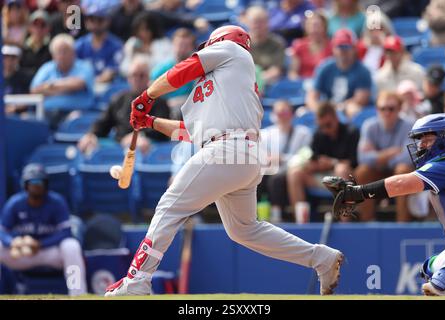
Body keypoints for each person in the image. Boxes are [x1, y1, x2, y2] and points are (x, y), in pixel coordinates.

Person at [105, 25, 344, 296]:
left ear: (218, 41)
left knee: (169, 207)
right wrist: (150, 121)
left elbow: (185, 68)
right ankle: (320, 258)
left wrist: (147, 96)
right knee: (244, 229)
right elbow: (190, 133)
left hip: (228, 149)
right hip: (240, 153)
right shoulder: (224, 86)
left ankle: (137, 280)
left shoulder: (232, 50)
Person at [325, 113, 445, 296]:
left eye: (428, 138)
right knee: (432, 266)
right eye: (420, 139)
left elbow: (401, 184)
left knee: (442, 275)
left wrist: (357, 193)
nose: (421, 145)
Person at [0, 163, 87, 296]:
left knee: (71, 246)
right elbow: (2, 231)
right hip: (23, 254)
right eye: (32, 182)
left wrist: (40, 244)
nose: (36, 186)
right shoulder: (15, 203)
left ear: (46, 184)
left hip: (49, 253)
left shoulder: (57, 202)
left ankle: (78, 294)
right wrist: (12, 242)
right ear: (25, 184)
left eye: (40, 182)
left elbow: (66, 232)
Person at [77, 57, 170, 155]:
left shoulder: (160, 102)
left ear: (148, 78)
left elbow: (160, 130)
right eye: (134, 75)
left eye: (142, 75)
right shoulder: (118, 99)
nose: (137, 79)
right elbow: (103, 123)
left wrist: (138, 136)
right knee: (89, 144)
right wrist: (91, 134)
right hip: (120, 145)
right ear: (129, 78)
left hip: (147, 148)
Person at [287, 102, 359, 221]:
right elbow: (312, 161)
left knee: (341, 169)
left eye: (328, 125)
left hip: (347, 179)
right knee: (294, 173)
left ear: (336, 118)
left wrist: (333, 163)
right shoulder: (318, 134)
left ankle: (345, 222)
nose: (325, 129)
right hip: (322, 178)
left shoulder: (351, 132)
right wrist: (318, 165)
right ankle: (301, 222)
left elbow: (354, 162)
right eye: (322, 126)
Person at [354, 91, 415, 221]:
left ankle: (402, 224)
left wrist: (378, 158)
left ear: (399, 109)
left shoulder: (409, 125)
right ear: (377, 109)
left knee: (402, 170)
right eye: (382, 108)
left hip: (398, 173)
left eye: (391, 109)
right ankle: (368, 223)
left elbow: (408, 157)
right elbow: (362, 158)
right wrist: (389, 153)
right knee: (362, 172)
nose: (386, 112)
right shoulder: (369, 126)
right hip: (377, 172)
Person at [259, 100, 312, 222]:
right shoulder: (265, 134)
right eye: (279, 113)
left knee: (276, 180)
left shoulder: (303, 133)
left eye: (285, 112)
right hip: (270, 170)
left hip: (291, 170)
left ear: (291, 114)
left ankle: (276, 215)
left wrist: (282, 158)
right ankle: (258, 215)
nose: (282, 116)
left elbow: (306, 156)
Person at [30, 33, 95, 129]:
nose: (62, 55)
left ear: (73, 52)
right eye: (58, 52)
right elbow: (34, 90)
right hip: (47, 113)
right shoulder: (47, 68)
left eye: (65, 51)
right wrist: (66, 87)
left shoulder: (85, 66)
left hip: (77, 113)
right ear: (53, 55)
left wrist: (50, 86)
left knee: (75, 118)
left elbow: (78, 84)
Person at [306, 28, 372, 119]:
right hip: (327, 107)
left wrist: (337, 108)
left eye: (346, 47)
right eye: (339, 47)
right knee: (302, 112)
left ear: (354, 48)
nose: (343, 52)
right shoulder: (325, 67)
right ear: (333, 49)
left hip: (346, 108)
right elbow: (311, 96)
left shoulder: (362, 71)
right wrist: (318, 109)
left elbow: (360, 100)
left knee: (353, 109)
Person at [151, 28, 196, 118]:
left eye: (186, 45)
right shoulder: (161, 69)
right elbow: (151, 92)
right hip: (164, 109)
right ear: (173, 45)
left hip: (189, 109)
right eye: (179, 45)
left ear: (192, 47)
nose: (182, 49)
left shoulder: (196, 69)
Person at [75, 3, 123, 84]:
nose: (95, 24)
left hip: (107, 87)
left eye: (100, 20)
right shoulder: (80, 44)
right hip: (82, 87)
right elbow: (73, 69)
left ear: (108, 21)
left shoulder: (116, 45)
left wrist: (90, 82)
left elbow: (111, 72)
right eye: (91, 19)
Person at [119, 12, 173, 76]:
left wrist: (149, 52)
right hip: (134, 81)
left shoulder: (163, 43)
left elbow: (168, 66)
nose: (143, 33)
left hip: (157, 80)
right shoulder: (132, 43)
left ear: (153, 29)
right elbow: (123, 68)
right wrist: (133, 56)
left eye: (146, 29)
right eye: (140, 30)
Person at [245, 6, 286, 85]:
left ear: (268, 23)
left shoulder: (277, 44)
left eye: (261, 22)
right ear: (248, 23)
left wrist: (258, 80)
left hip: (268, 84)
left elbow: (276, 70)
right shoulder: (241, 43)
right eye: (255, 22)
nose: (258, 25)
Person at [288, 9, 332, 79]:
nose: (313, 29)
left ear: (324, 27)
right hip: (302, 84)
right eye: (310, 25)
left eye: (317, 25)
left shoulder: (332, 47)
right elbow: (293, 72)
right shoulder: (299, 45)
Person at [356, 11, 393, 75]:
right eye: (372, 29)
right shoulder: (359, 47)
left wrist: (384, 45)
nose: (375, 33)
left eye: (380, 29)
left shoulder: (392, 48)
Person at [20, 9, 52, 76]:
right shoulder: (22, 48)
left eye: (43, 25)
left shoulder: (52, 48)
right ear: (29, 27)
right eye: (35, 25)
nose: (39, 29)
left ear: (49, 28)